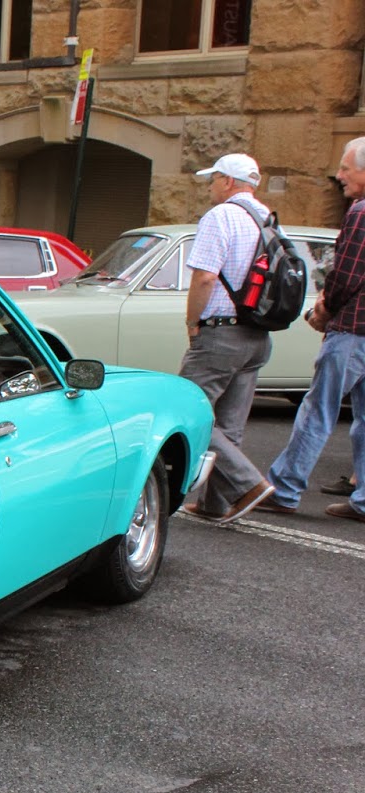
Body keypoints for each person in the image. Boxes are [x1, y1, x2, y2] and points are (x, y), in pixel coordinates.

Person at [258, 137, 365, 523]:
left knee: (318, 409)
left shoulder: (361, 212)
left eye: (345, 168)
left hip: (352, 329)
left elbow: (346, 275)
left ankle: (284, 488)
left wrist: (324, 309)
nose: (339, 175)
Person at [178, 153, 277, 523]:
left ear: (229, 182)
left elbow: (205, 277)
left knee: (188, 408)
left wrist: (192, 322)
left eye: (214, 179)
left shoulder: (220, 216)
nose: (210, 186)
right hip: (257, 334)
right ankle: (216, 504)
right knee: (229, 424)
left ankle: (248, 483)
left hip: (221, 332)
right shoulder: (268, 219)